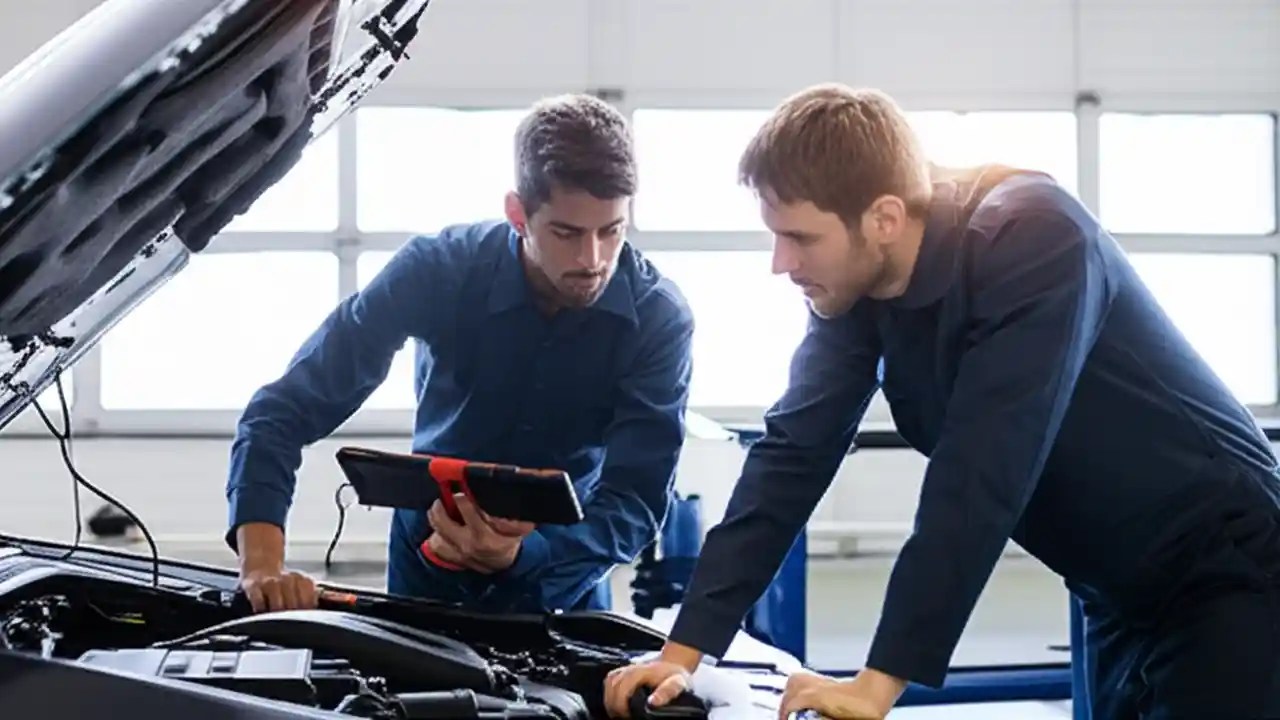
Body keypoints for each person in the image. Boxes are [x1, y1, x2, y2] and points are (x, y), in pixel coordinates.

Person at [604, 83, 1280, 720]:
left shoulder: (1035, 239)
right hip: (1111, 592)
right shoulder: (857, 292)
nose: (781, 262)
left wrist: (877, 684)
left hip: (1228, 570)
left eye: (801, 238)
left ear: (884, 219)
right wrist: (681, 656)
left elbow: (981, 470)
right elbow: (789, 460)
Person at [224, 93, 696, 617]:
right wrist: (261, 565)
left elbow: (636, 500)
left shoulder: (658, 319)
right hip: (426, 567)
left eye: (612, 231)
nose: (593, 260)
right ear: (518, 213)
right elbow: (281, 412)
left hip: (562, 575)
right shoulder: (437, 270)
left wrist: (525, 555)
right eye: (567, 233)